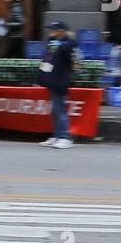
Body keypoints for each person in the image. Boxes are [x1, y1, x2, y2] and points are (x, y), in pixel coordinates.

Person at [38, 18, 78, 149]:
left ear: (60, 31)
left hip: (61, 80)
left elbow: (74, 63)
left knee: (60, 110)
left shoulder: (69, 45)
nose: (50, 32)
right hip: (52, 79)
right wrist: (42, 76)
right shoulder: (52, 43)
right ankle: (56, 135)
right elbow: (47, 59)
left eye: (53, 30)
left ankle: (65, 137)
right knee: (55, 110)